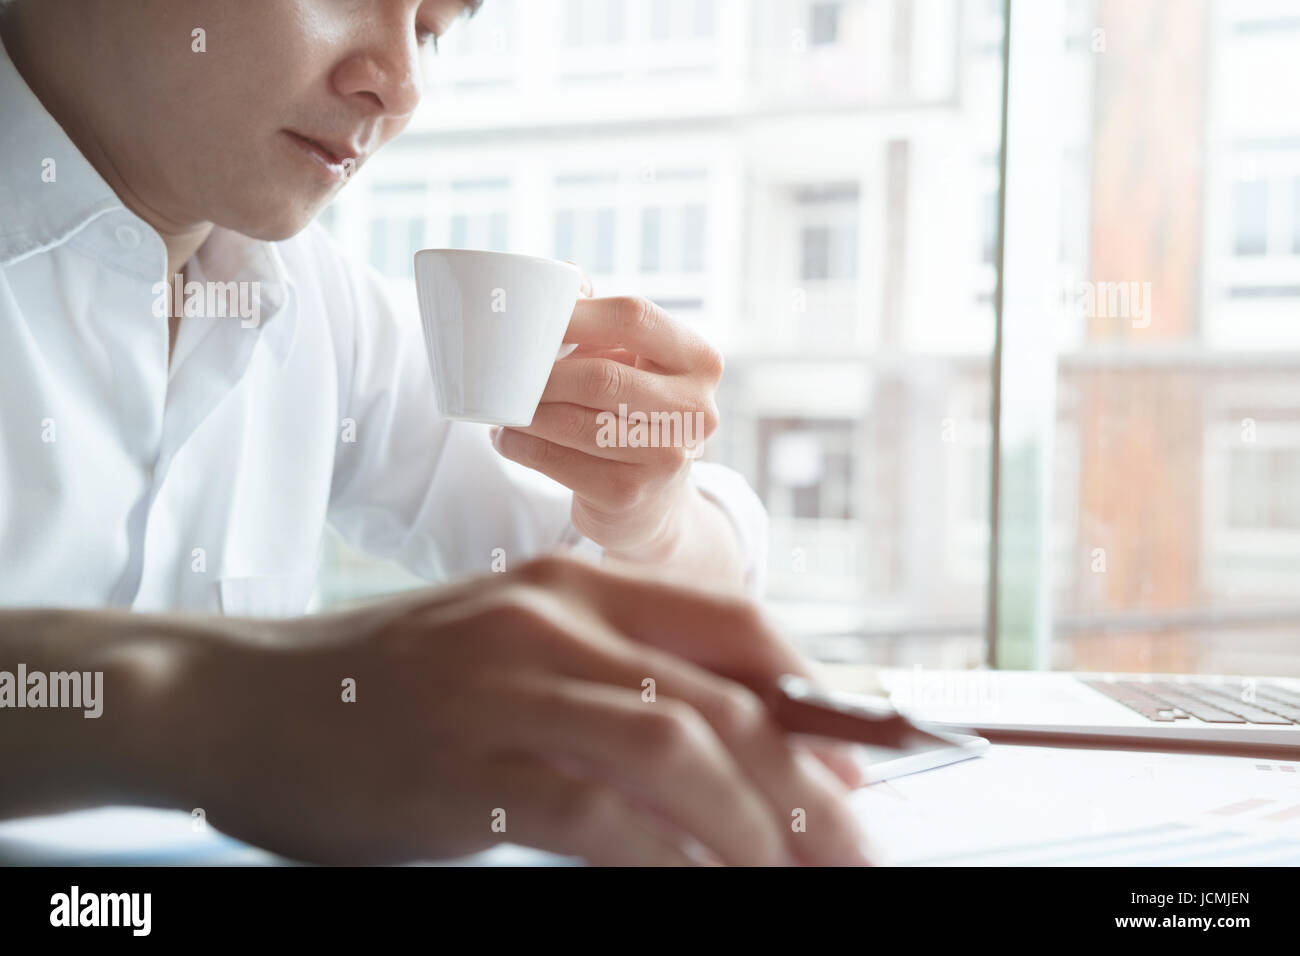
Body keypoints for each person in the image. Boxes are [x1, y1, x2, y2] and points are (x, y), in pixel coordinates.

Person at [0, 0, 871, 865]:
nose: (403, 87)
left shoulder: (307, 300)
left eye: (432, 31)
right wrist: (229, 703)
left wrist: (649, 512)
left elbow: (640, 573)